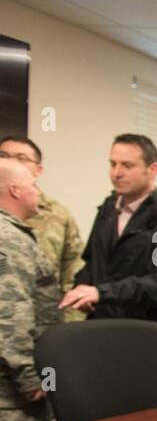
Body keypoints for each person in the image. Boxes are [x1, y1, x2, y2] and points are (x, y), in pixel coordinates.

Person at [61, 133, 157, 326]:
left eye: (127, 165)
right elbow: (93, 262)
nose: (117, 172)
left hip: (150, 331)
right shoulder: (108, 209)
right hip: (104, 324)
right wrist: (82, 288)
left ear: (152, 169)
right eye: (113, 164)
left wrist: (102, 293)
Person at [0, 158, 60, 421]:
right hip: (11, 403)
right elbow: (9, 313)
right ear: (15, 191)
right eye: (33, 185)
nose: (38, 193)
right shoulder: (9, 240)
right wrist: (30, 381)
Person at [0, 136, 84, 323]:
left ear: (38, 170)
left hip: (42, 322)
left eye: (21, 158)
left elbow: (73, 274)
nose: (11, 161)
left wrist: (69, 327)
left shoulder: (58, 215)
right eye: (3, 155)